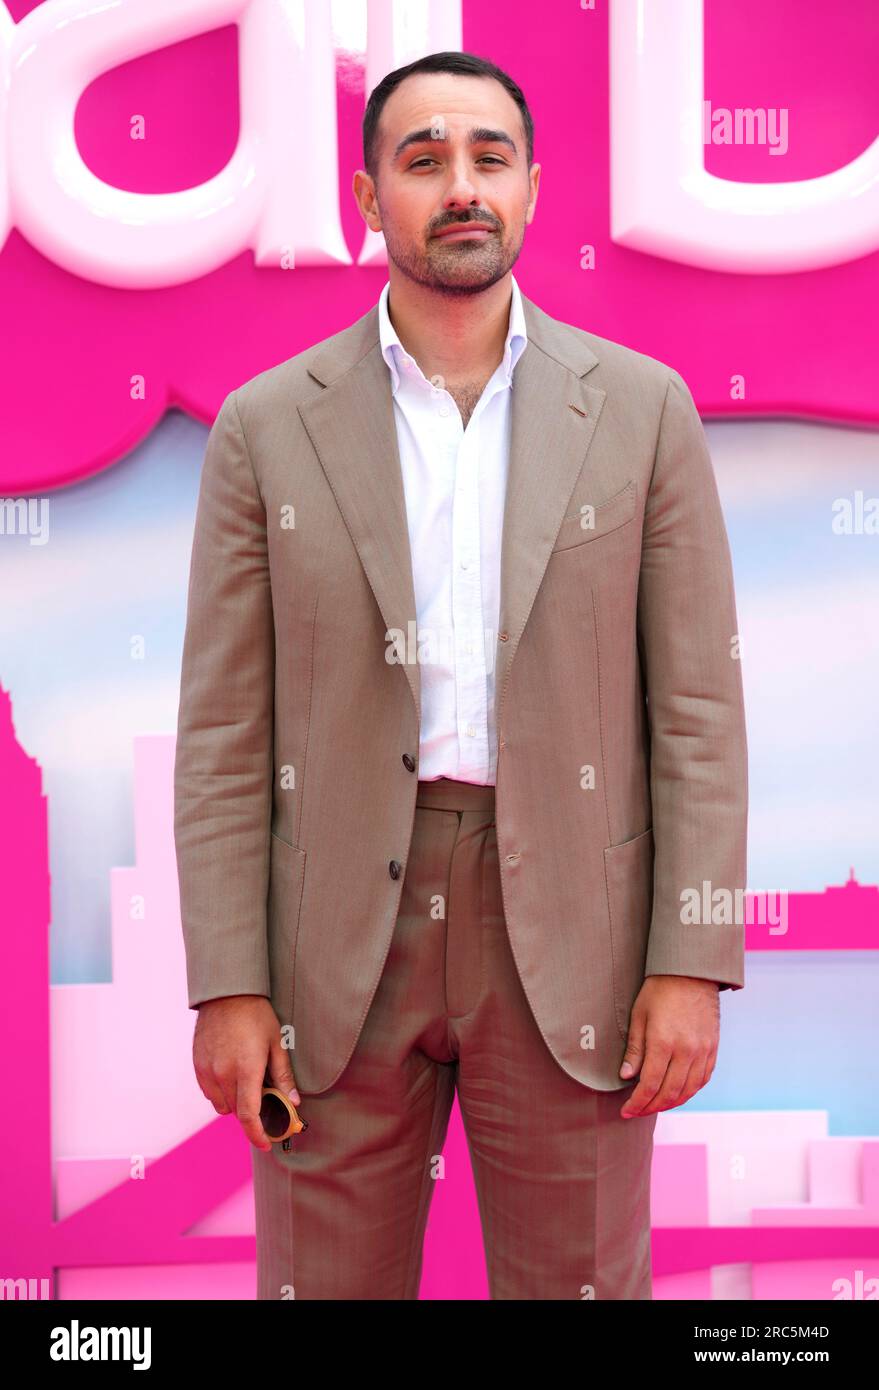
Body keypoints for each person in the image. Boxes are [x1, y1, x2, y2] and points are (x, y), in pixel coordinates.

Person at [174, 50, 748, 1301]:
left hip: (573, 931)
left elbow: (697, 709)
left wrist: (690, 959)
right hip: (332, 939)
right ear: (371, 197)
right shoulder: (267, 426)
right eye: (422, 160)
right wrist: (227, 983)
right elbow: (224, 731)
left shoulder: (644, 411)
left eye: (489, 157)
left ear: (534, 189)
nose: (461, 186)